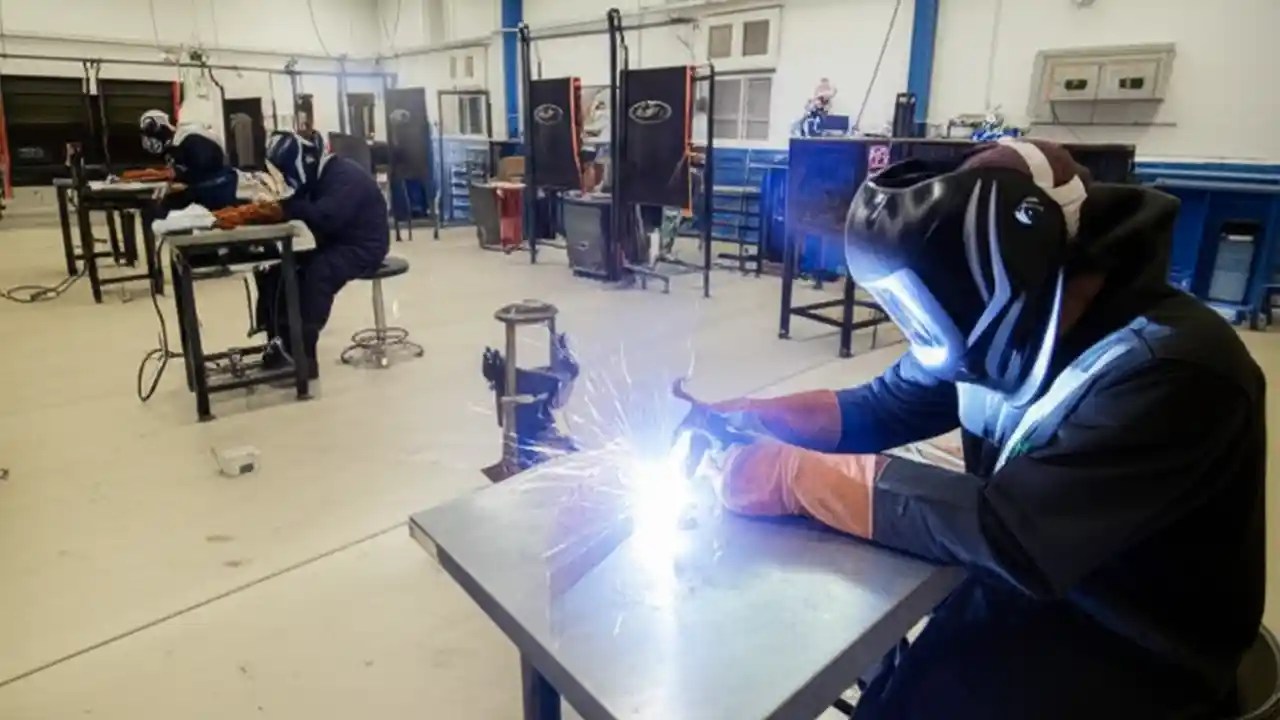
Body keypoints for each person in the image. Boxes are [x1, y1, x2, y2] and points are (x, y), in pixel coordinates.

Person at [679, 139, 1266, 719]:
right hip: (1023, 602)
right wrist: (754, 417)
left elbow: (1016, 532)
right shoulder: (1005, 326)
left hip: (1130, 652)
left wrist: (793, 477)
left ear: (1017, 272)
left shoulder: (1173, 371)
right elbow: (885, 405)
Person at [255, 129, 389, 377]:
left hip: (364, 246)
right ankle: (279, 339)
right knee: (278, 267)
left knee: (318, 273)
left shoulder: (344, 176)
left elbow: (326, 218)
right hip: (338, 241)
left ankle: (304, 356)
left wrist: (287, 207)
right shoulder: (320, 177)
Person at [137, 109, 239, 212]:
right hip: (205, 189)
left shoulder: (192, 138)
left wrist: (176, 174)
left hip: (216, 190)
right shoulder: (175, 145)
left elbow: (202, 168)